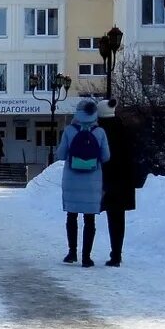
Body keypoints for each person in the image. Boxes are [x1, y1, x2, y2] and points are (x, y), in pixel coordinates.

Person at [54, 98, 111, 266]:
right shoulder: (100, 132)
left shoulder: (69, 130)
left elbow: (61, 155)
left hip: (72, 180)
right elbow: (106, 157)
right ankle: (86, 257)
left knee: (71, 216)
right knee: (89, 220)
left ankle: (72, 252)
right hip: (92, 182)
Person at [97, 98, 142, 267]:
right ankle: (117, 252)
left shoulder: (101, 130)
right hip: (125, 180)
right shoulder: (125, 128)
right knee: (119, 217)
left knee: (111, 216)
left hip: (108, 180)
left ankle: (112, 253)